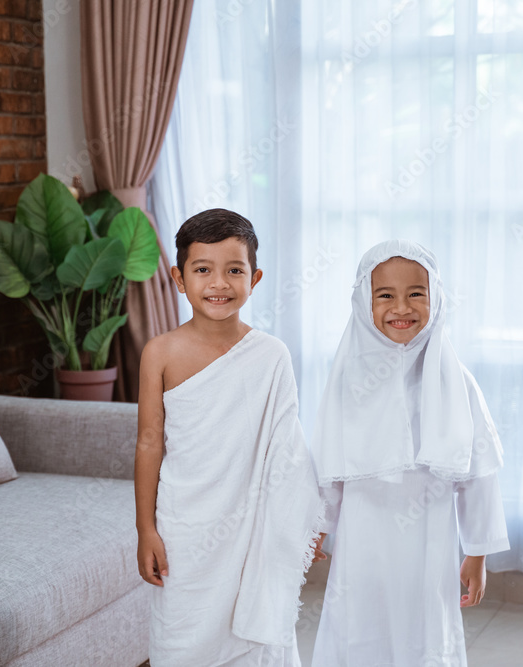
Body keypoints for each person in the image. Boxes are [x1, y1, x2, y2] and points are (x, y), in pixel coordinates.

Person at [135, 208, 324, 666]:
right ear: (180, 279)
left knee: (251, 646)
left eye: (233, 270)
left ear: (254, 278)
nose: (218, 283)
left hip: (249, 527)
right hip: (184, 527)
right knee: (182, 637)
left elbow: (288, 447)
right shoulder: (160, 353)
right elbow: (148, 442)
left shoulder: (272, 355)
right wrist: (145, 529)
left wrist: (307, 521)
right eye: (203, 270)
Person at [310, 239, 510, 666]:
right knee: (358, 624)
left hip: (429, 538)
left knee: (425, 628)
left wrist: (476, 552)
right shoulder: (348, 381)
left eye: (416, 293)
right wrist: (318, 525)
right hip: (362, 539)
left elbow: (479, 473)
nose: (401, 307)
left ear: (436, 299)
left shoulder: (456, 383)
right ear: (364, 301)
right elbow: (329, 462)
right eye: (385, 295)